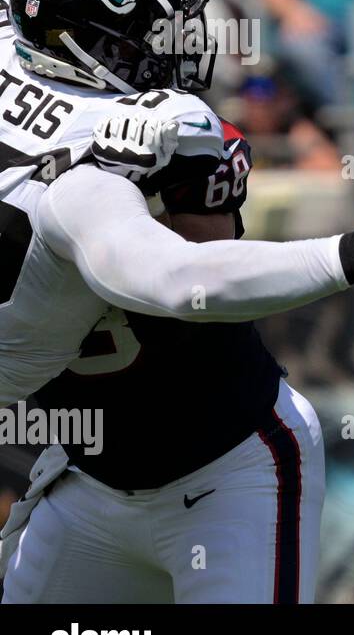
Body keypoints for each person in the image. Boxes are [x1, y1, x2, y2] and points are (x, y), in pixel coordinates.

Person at [0, 0, 354, 411]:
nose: (179, 44)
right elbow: (184, 279)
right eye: (156, 32)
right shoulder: (122, 148)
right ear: (95, 44)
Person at [5, 123, 327, 602]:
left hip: (228, 472)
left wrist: (349, 256)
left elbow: (203, 274)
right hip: (91, 482)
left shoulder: (177, 133)